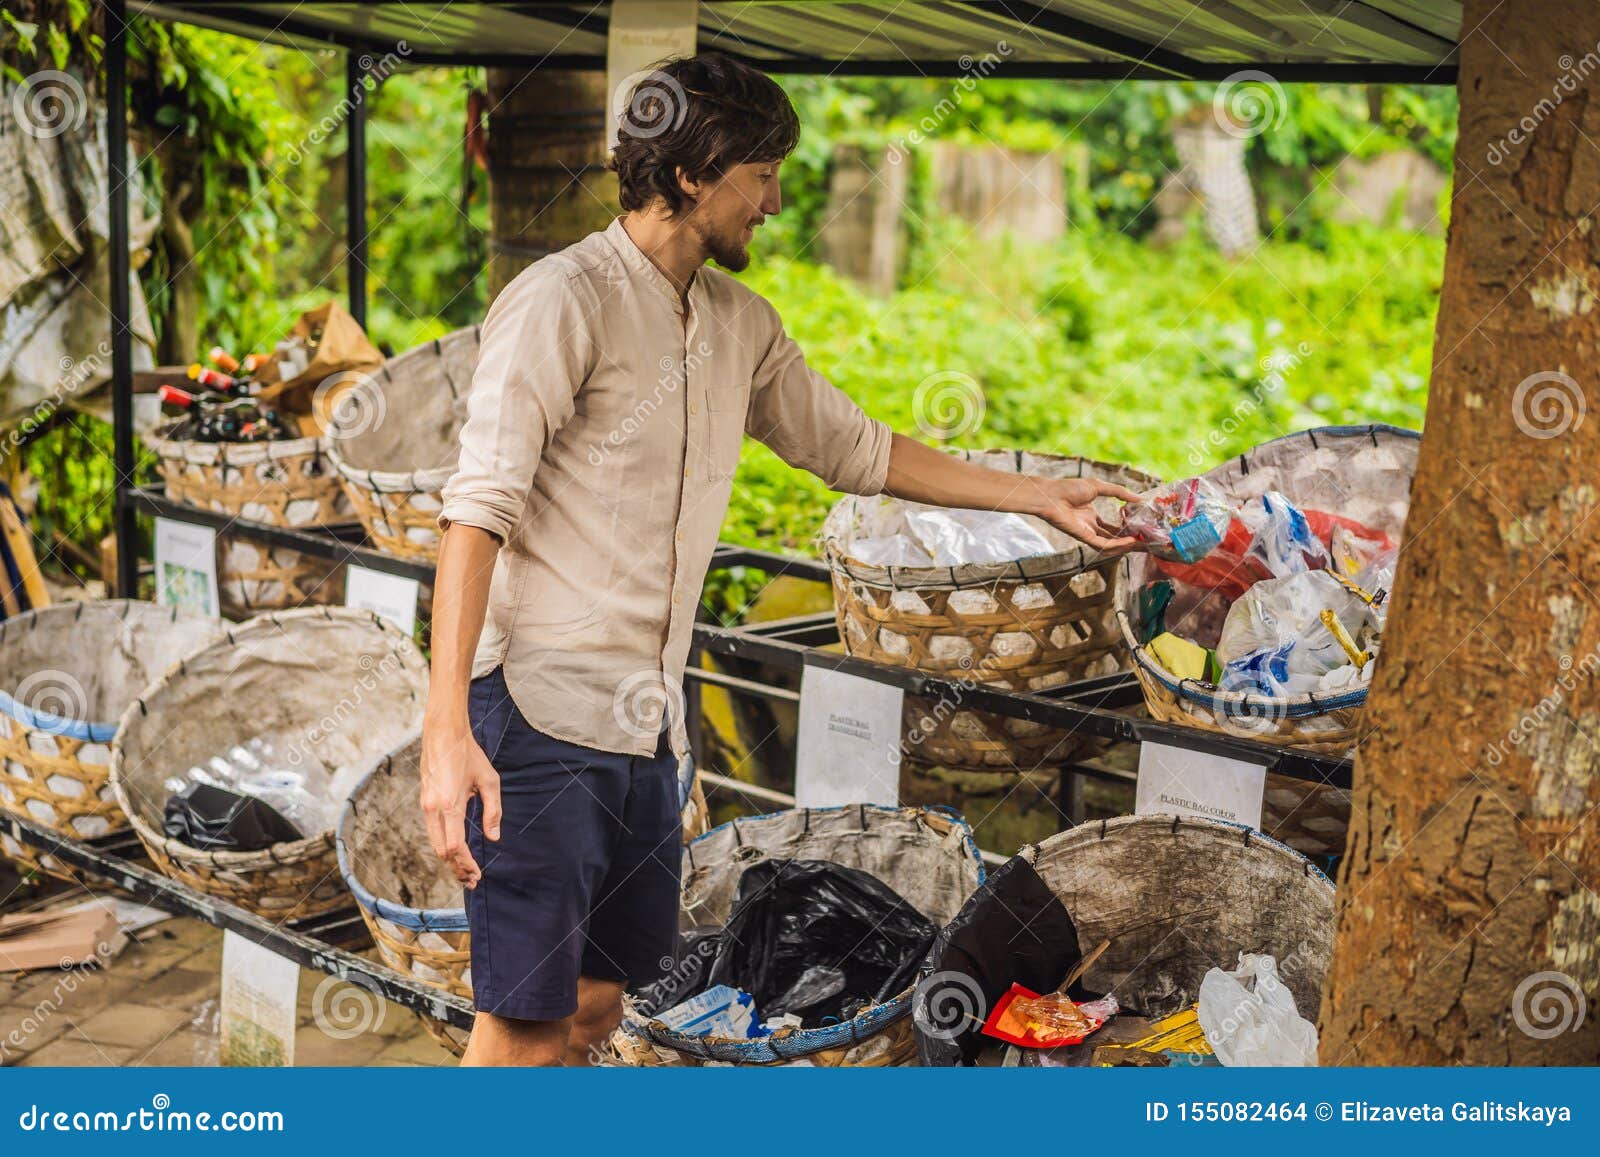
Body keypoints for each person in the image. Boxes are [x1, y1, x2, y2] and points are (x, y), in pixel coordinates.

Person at [421, 52, 1139, 1067]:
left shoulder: (738, 324)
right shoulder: (561, 302)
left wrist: (1041, 496)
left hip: (644, 724)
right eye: (760, 174)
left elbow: (859, 448)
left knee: (594, 1007)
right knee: (522, 1027)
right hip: (536, 720)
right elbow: (475, 514)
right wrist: (446, 729)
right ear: (689, 174)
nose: (775, 201)